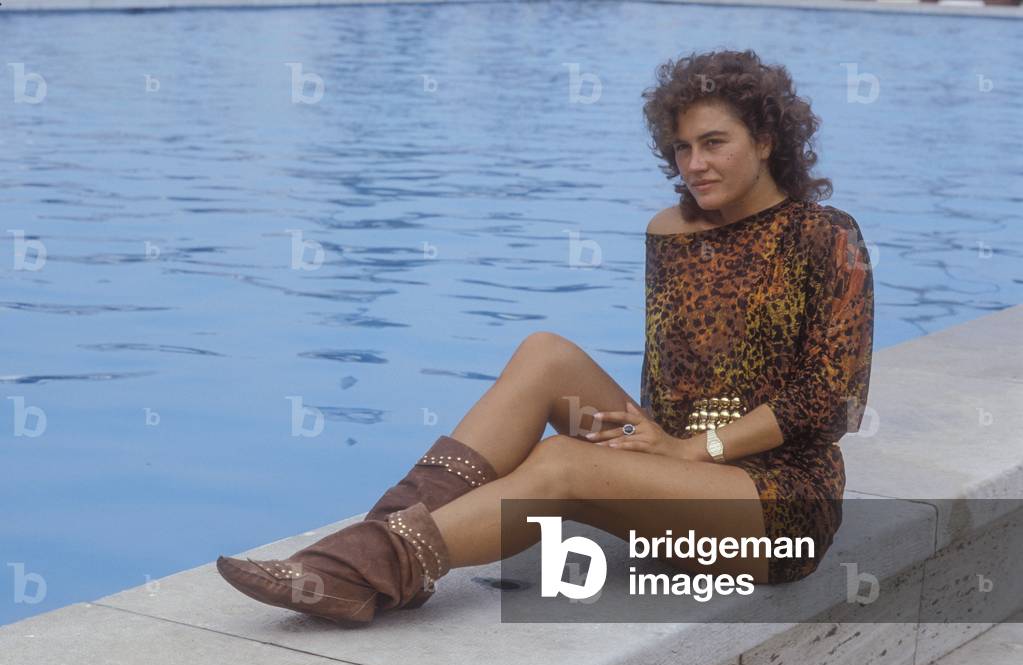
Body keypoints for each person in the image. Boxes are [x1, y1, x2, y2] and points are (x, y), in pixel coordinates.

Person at [216, 48, 875, 625]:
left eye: (713, 142)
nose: (694, 164)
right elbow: (676, 383)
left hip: (774, 506)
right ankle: (362, 557)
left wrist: (689, 451)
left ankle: (358, 568)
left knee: (560, 461)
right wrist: (660, 448)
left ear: (764, 138)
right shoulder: (672, 231)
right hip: (672, 469)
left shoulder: (824, 235)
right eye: (681, 147)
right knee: (545, 354)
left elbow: (832, 400)